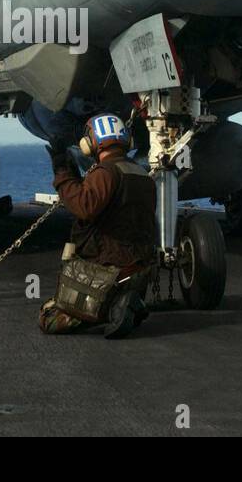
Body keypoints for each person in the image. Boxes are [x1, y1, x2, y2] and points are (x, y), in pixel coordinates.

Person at [39, 113, 156, 338]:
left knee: (49, 318)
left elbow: (84, 207)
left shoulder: (105, 173)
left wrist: (62, 172)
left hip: (107, 268)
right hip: (137, 266)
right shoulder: (141, 174)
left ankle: (114, 306)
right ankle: (127, 302)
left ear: (91, 142)